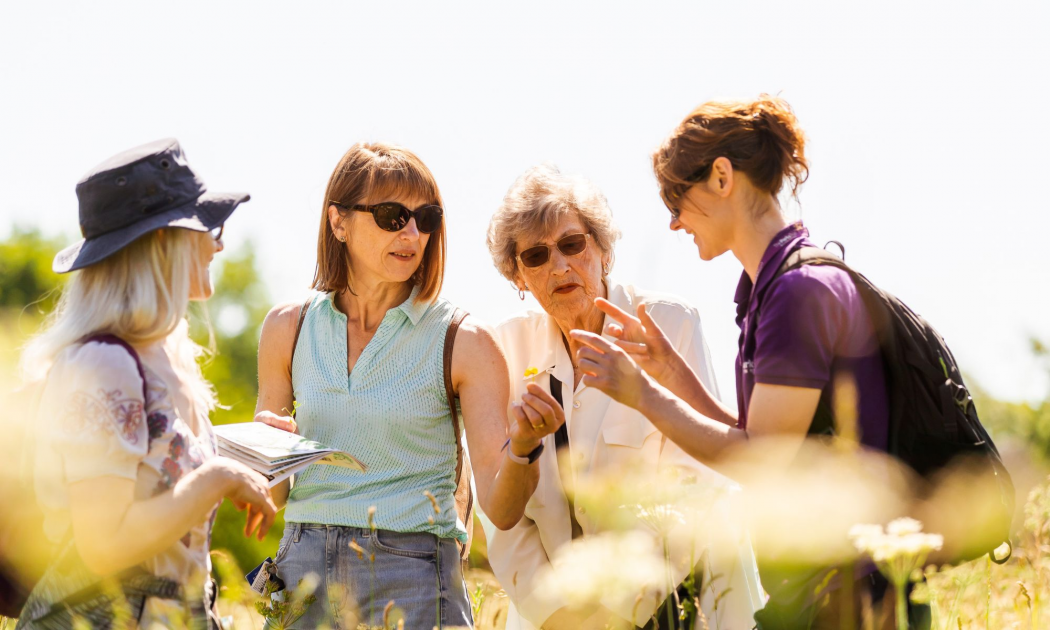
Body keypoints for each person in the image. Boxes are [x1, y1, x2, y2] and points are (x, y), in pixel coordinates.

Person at [570, 96, 931, 628]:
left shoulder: (796, 293)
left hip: (850, 594)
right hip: (819, 588)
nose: (674, 223)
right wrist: (671, 374)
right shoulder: (772, 289)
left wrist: (643, 395)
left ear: (721, 177)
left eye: (676, 200)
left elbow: (759, 458)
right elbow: (763, 436)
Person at [253, 142, 562, 629]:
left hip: (414, 580)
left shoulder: (464, 341)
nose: (413, 233)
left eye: (426, 218)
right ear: (339, 223)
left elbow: (502, 511)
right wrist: (266, 452)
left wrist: (525, 446)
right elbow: (273, 498)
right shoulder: (286, 328)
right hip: (302, 570)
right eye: (392, 215)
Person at [483, 164, 764, 630]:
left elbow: (694, 482)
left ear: (602, 249)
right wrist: (559, 618)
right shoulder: (504, 351)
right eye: (535, 256)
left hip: (680, 602)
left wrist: (617, 613)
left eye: (572, 244)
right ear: (518, 276)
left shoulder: (666, 324)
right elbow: (503, 520)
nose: (559, 265)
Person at [17, 138, 276, 628]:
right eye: (209, 228)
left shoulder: (163, 358)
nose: (218, 245)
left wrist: (251, 454)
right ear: (165, 241)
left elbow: (156, 468)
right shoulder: (103, 364)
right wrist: (217, 477)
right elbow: (104, 544)